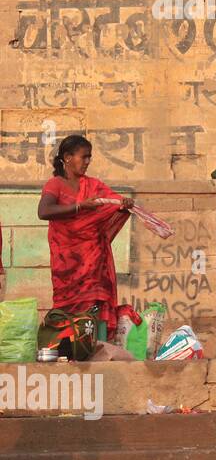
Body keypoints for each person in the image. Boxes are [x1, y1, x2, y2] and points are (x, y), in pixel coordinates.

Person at [36, 135, 137, 345]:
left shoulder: (93, 185)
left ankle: (97, 347)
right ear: (67, 157)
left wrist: (123, 204)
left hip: (94, 260)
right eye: (84, 157)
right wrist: (80, 206)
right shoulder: (55, 184)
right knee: (68, 308)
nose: (88, 161)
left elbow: (111, 201)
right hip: (67, 262)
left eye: (90, 157)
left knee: (97, 303)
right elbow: (44, 211)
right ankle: (71, 347)